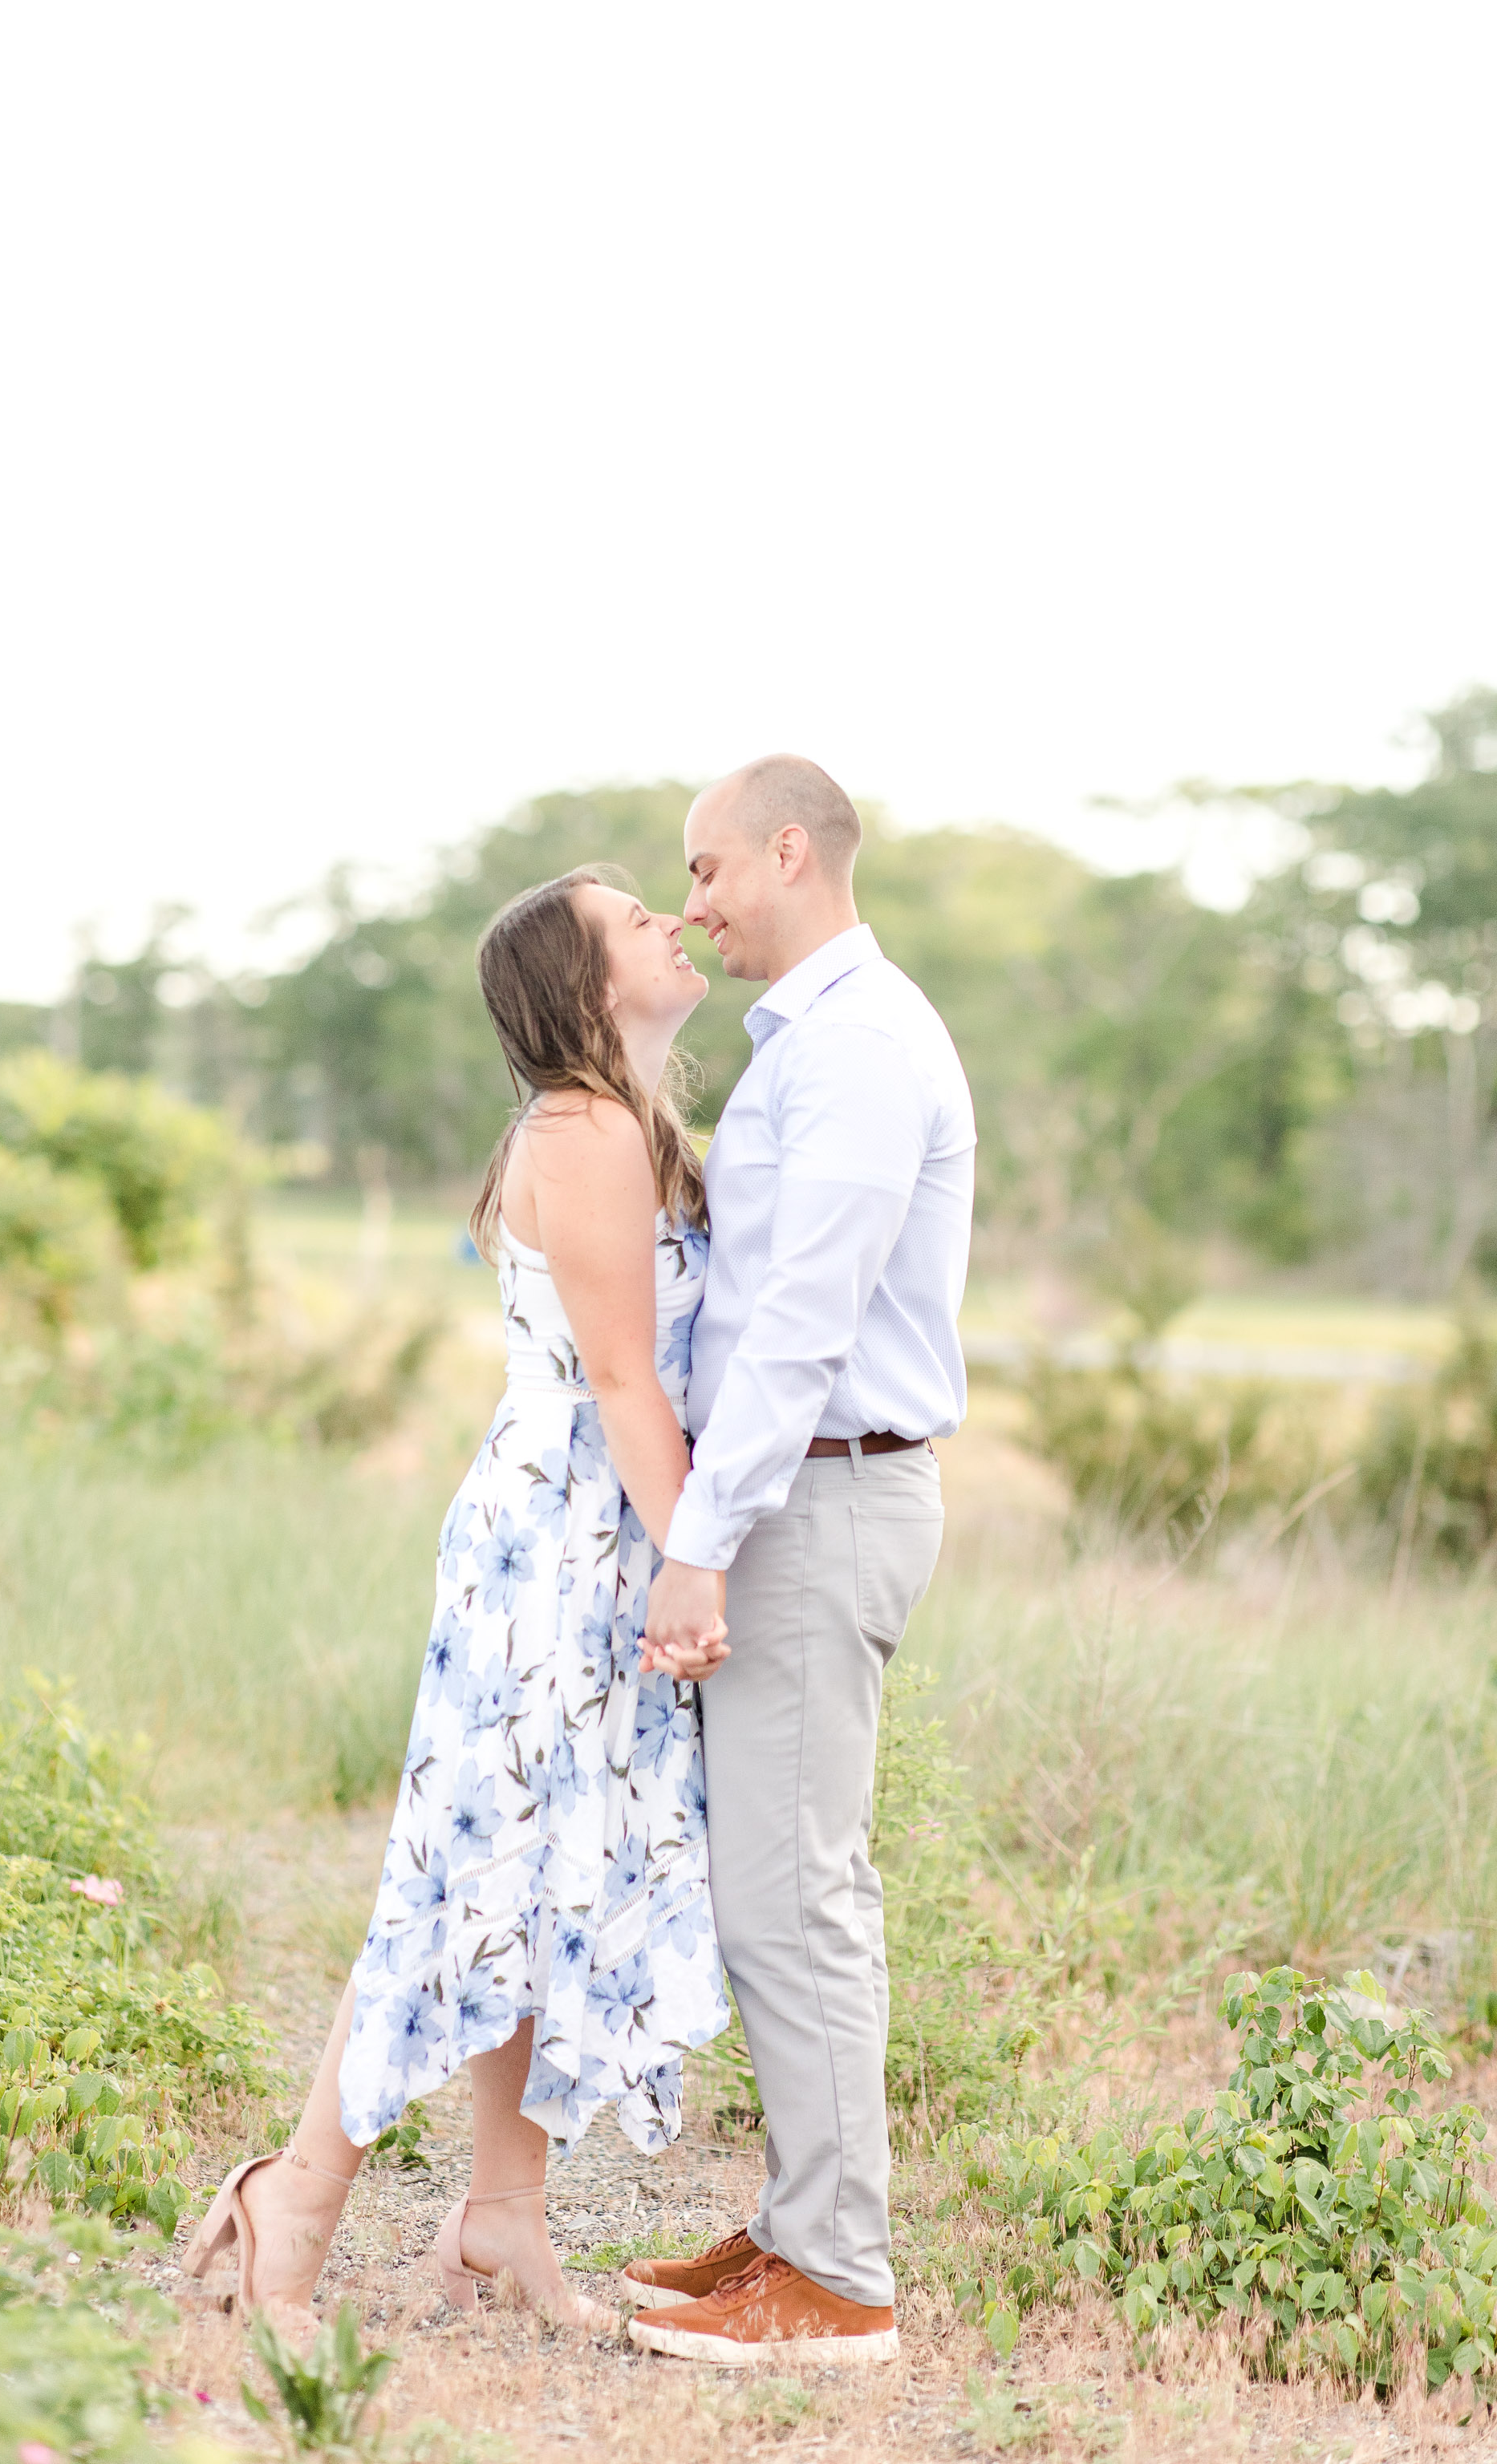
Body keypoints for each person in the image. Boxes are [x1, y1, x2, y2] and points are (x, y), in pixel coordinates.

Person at [184, 868, 731, 2334]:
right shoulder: (590, 1130)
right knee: (463, 1872)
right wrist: (698, 1559)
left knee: (556, 1876)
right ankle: (291, 2194)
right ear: (583, 987)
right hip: (559, 1547)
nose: (670, 924)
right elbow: (624, 1381)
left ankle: (502, 2218)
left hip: (580, 1534)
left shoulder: (626, 1124)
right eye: (636, 924)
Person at [625, 756, 976, 2365]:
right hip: (806, 1498)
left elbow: (795, 1331)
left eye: (704, 872)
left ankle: (836, 2280)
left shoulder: (858, 1050)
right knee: (785, 1885)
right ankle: (796, 2226)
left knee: (795, 1898)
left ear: (788, 850)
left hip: (815, 1503)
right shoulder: (820, 1043)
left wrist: (699, 1546)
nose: (693, 905)